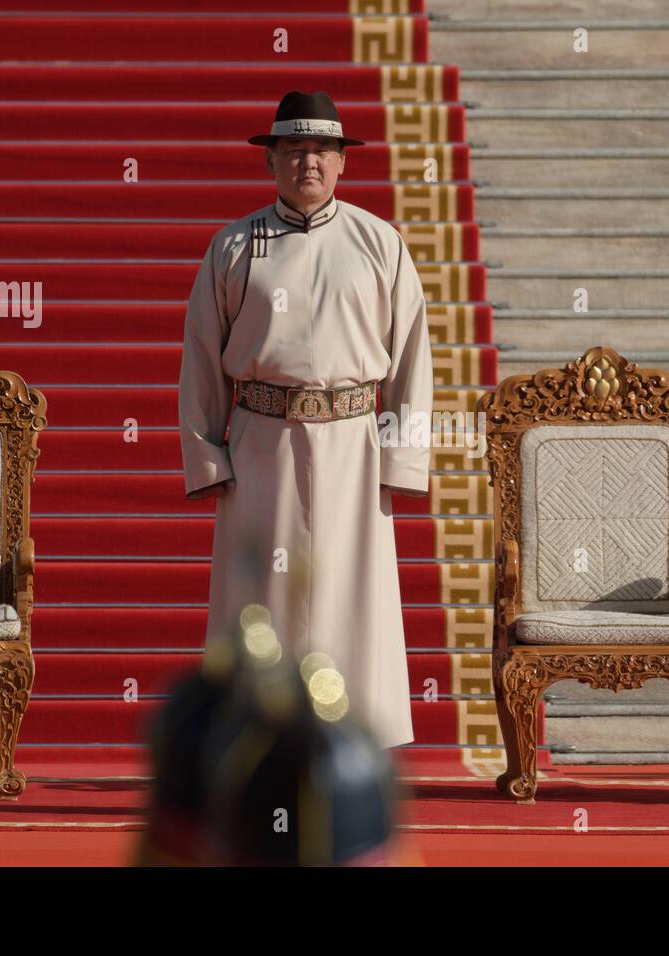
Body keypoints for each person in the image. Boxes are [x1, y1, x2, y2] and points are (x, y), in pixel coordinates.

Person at [177, 90, 432, 749]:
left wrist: (402, 460)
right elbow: (203, 355)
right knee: (263, 593)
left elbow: (410, 361)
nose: (308, 163)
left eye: (321, 150)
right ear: (271, 163)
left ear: (344, 162)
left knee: (353, 596)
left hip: (355, 445)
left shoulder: (382, 244)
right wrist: (208, 457)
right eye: (292, 151)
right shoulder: (234, 248)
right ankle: (254, 737)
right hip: (263, 443)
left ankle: (355, 744)